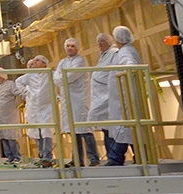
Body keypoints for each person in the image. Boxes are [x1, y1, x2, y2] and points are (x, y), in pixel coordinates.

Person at [54, 38, 99, 166]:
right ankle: (77, 160)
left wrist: (60, 79)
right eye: (68, 46)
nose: (70, 48)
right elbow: (56, 78)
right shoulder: (62, 62)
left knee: (85, 130)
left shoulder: (81, 61)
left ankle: (94, 159)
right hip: (67, 100)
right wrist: (61, 79)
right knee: (73, 132)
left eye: (72, 46)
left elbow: (69, 77)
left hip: (79, 100)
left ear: (77, 48)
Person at [104, 25, 141, 166]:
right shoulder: (125, 51)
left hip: (124, 98)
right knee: (129, 130)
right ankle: (140, 156)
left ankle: (115, 158)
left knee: (124, 129)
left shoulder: (125, 52)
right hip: (122, 98)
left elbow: (130, 64)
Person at [16, 55, 55, 165]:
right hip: (33, 108)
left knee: (46, 131)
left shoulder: (50, 74)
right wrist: (26, 93)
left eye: (37, 61)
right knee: (36, 132)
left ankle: (48, 156)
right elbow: (18, 82)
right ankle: (42, 155)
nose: (35, 62)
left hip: (46, 107)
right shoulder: (30, 76)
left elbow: (58, 81)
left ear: (44, 64)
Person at [88, 32, 118, 156]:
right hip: (100, 97)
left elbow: (111, 73)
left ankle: (114, 156)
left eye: (102, 41)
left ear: (109, 42)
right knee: (106, 129)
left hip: (109, 96)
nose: (99, 44)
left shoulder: (114, 53)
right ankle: (111, 156)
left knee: (115, 129)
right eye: (98, 42)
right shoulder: (103, 56)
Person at [0, 68, 21, 163]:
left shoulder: (10, 84)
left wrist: (28, 96)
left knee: (11, 137)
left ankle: (16, 157)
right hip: (0, 116)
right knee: (3, 137)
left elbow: (18, 93)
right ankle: (9, 157)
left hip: (10, 115)